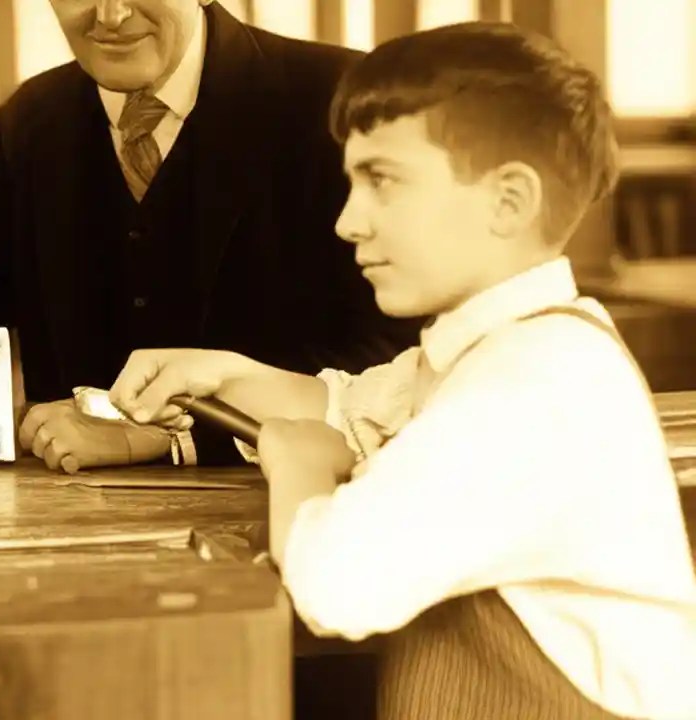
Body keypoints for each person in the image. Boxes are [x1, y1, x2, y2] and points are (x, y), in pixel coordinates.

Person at [110, 21, 696, 719]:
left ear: (509, 202)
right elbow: (349, 407)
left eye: (382, 181)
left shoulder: (533, 389)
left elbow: (336, 586)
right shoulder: (497, 351)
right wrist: (217, 373)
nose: (347, 221)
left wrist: (296, 463)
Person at [0, 0, 419, 473]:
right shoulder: (30, 123)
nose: (111, 15)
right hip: (72, 525)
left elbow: (399, 355)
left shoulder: (339, 101)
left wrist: (173, 433)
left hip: (302, 505)